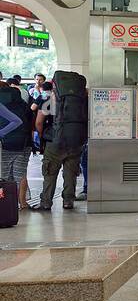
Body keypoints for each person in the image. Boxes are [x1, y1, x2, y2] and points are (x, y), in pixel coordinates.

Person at [34, 75, 86, 211]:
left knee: (50, 172)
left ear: (56, 85)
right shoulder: (83, 101)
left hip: (55, 141)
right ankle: (68, 201)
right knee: (71, 173)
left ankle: (46, 202)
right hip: (76, 141)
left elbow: (39, 122)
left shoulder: (50, 100)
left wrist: (42, 136)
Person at [0, 77, 33, 209]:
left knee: (3, 176)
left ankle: (6, 204)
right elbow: (30, 122)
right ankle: (23, 203)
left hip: (4, 145)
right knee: (21, 174)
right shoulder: (21, 103)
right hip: (24, 144)